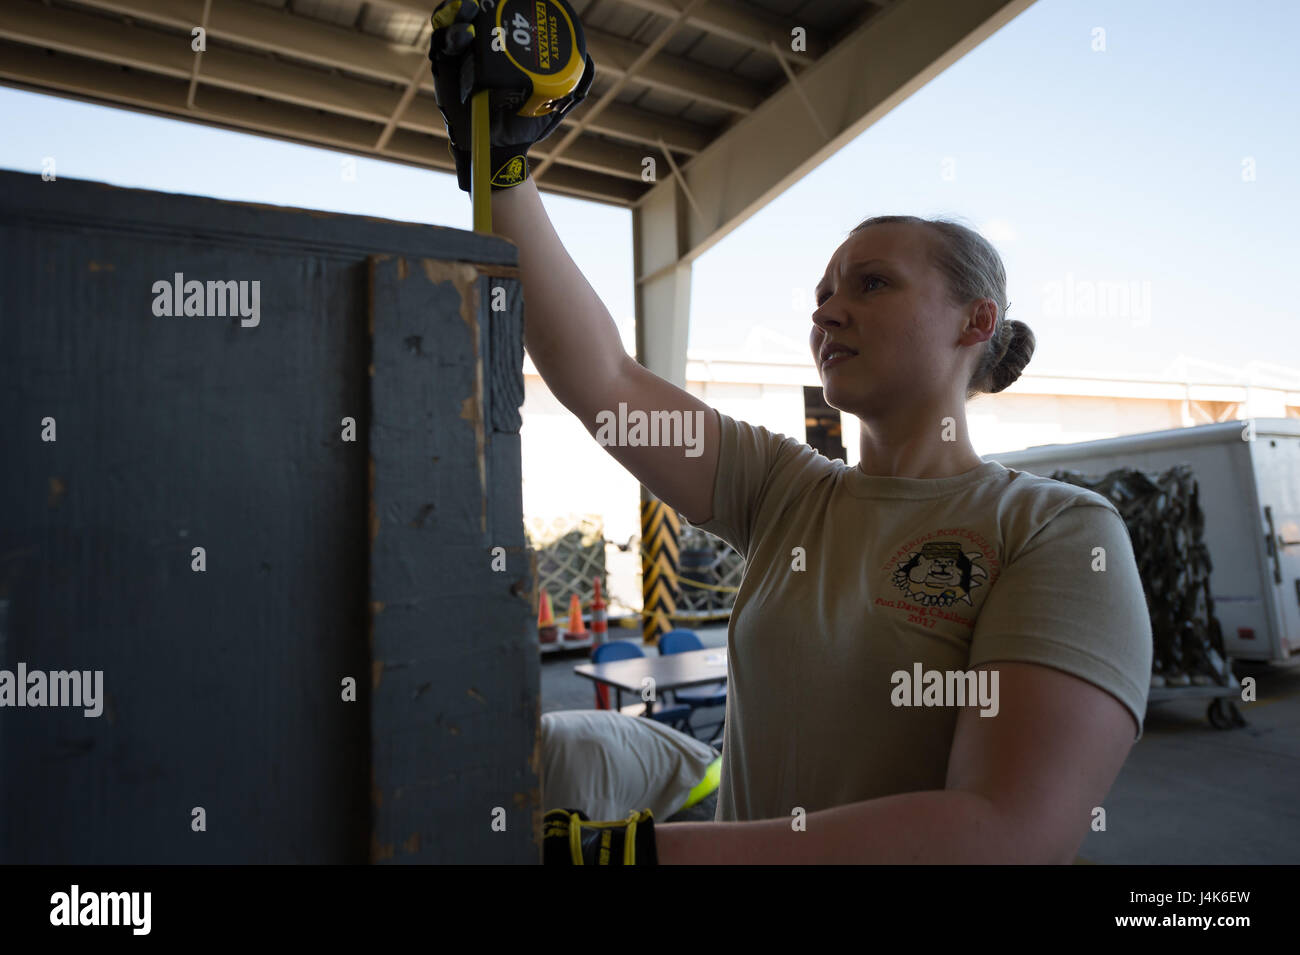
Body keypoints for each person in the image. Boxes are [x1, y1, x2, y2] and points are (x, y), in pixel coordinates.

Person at [430, 2, 1152, 864]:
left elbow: (1002, 834)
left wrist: (640, 855)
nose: (828, 310)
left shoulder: (1056, 532)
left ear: (975, 320)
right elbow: (605, 382)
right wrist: (500, 164)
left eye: (871, 283)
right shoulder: (786, 491)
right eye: (821, 293)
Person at [540, 710, 721, 822]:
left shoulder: (574, 786)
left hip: (697, 794)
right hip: (694, 775)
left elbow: (590, 846)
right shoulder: (544, 731)